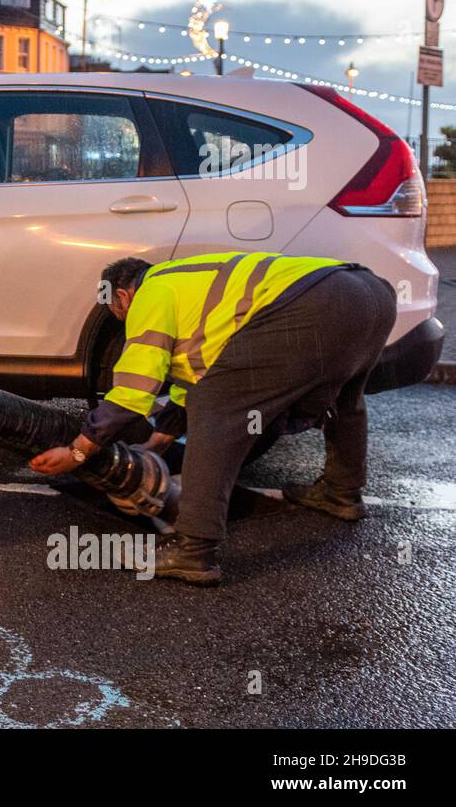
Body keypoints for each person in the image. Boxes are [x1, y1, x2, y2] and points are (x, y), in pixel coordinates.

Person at [30, 251, 396, 585]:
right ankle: (341, 492)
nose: (126, 326)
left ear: (123, 296)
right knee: (346, 398)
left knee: (216, 411)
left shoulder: (152, 293)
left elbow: (133, 390)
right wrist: (160, 441)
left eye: (119, 317)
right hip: (369, 293)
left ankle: (192, 549)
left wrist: (78, 451)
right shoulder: (187, 284)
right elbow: (198, 377)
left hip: (314, 302)